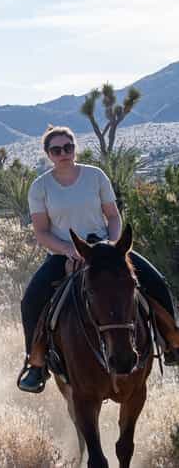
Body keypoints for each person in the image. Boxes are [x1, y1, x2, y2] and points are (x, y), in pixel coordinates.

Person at [17, 126, 179, 393]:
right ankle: (36, 364)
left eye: (68, 147)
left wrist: (115, 247)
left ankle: (172, 342)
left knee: (156, 281)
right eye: (56, 150)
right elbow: (42, 232)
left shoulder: (95, 176)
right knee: (31, 300)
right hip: (64, 252)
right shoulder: (40, 187)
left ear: (74, 148)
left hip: (106, 251)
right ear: (48, 154)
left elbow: (113, 216)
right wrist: (70, 250)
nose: (63, 154)